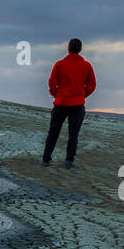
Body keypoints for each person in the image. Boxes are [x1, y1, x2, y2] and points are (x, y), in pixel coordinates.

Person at [42, 38, 96, 168]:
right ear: (80, 49)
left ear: (68, 48)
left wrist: (55, 93)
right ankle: (69, 160)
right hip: (77, 105)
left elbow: (52, 82)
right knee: (73, 134)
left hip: (61, 103)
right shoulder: (86, 66)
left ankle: (46, 159)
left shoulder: (60, 64)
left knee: (53, 132)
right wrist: (83, 95)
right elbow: (92, 85)